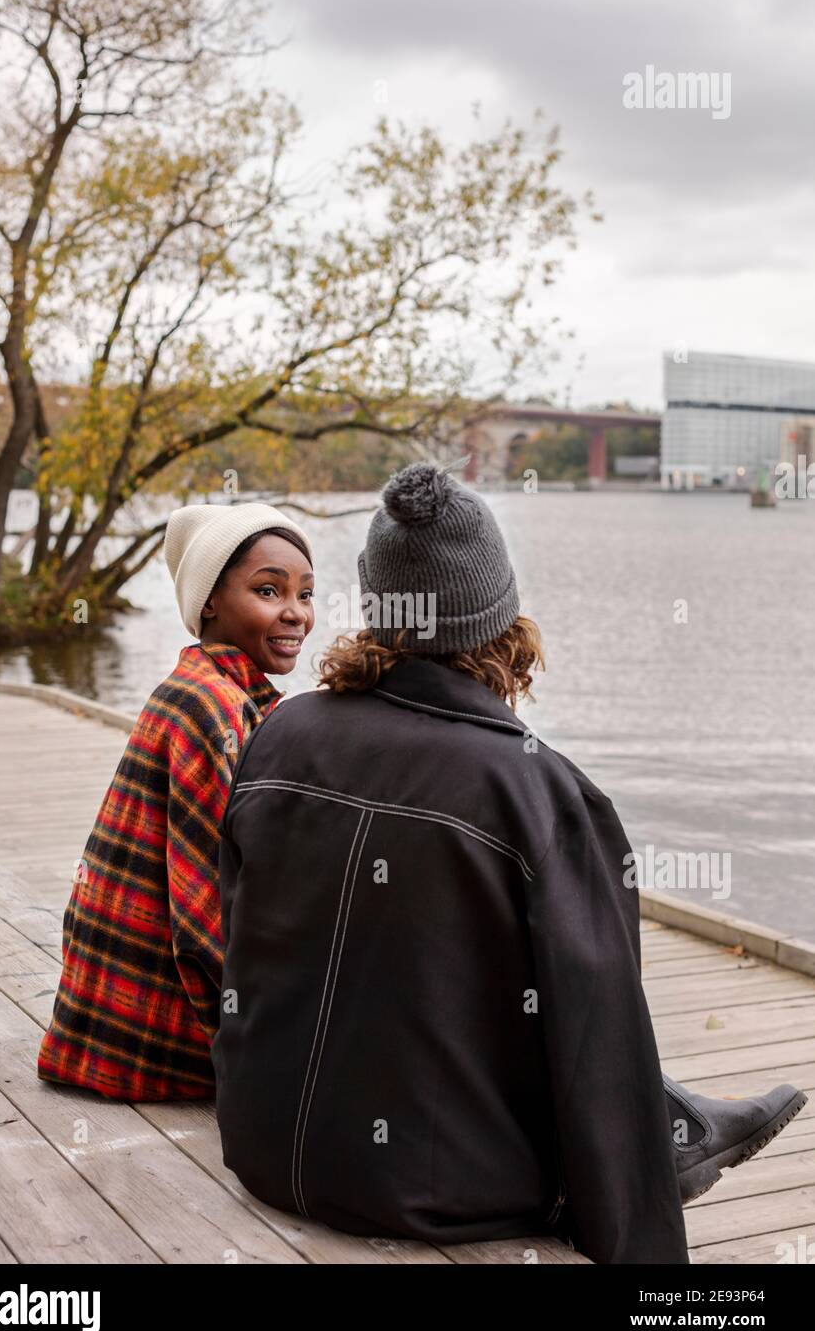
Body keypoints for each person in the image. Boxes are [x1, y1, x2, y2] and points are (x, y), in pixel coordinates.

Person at [213, 462, 806, 1265]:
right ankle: (679, 1134)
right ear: (499, 617)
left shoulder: (277, 736)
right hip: (442, 1189)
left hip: (264, 1144)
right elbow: (598, 1052)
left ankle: (684, 1123)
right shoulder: (540, 791)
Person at [36, 502, 314, 1101]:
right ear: (208, 601)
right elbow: (208, 913)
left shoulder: (206, 689)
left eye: (306, 595)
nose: (295, 613)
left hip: (103, 1015)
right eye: (269, 591)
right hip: (142, 1033)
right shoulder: (211, 708)